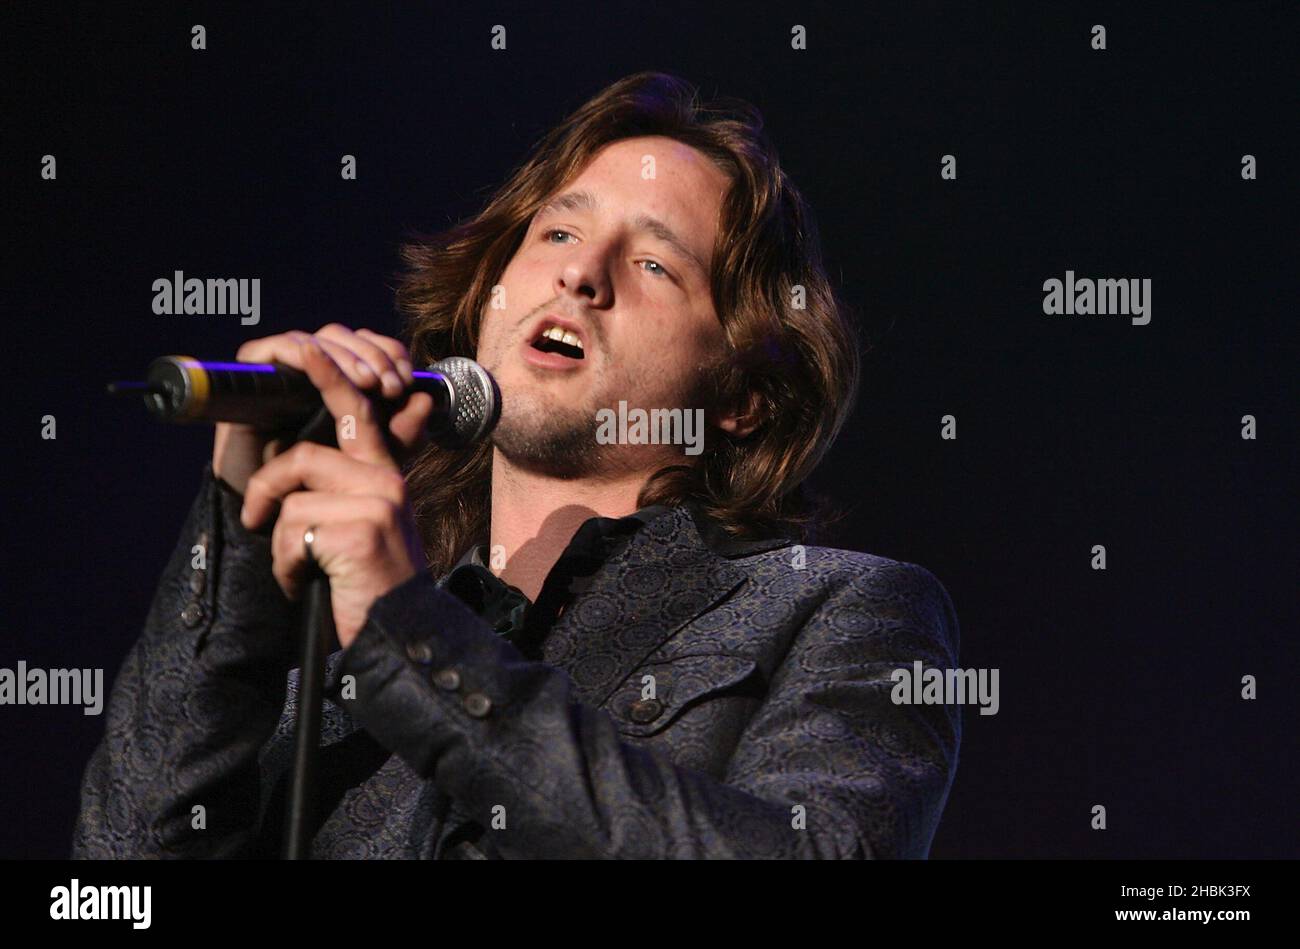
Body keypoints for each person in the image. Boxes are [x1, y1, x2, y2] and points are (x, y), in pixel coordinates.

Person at [73, 71, 961, 859]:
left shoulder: (839, 609)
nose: (583, 276)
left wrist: (412, 638)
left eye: (656, 262)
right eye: (558, 234)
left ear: (740, 396)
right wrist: (239, 533)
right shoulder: (329, 678)